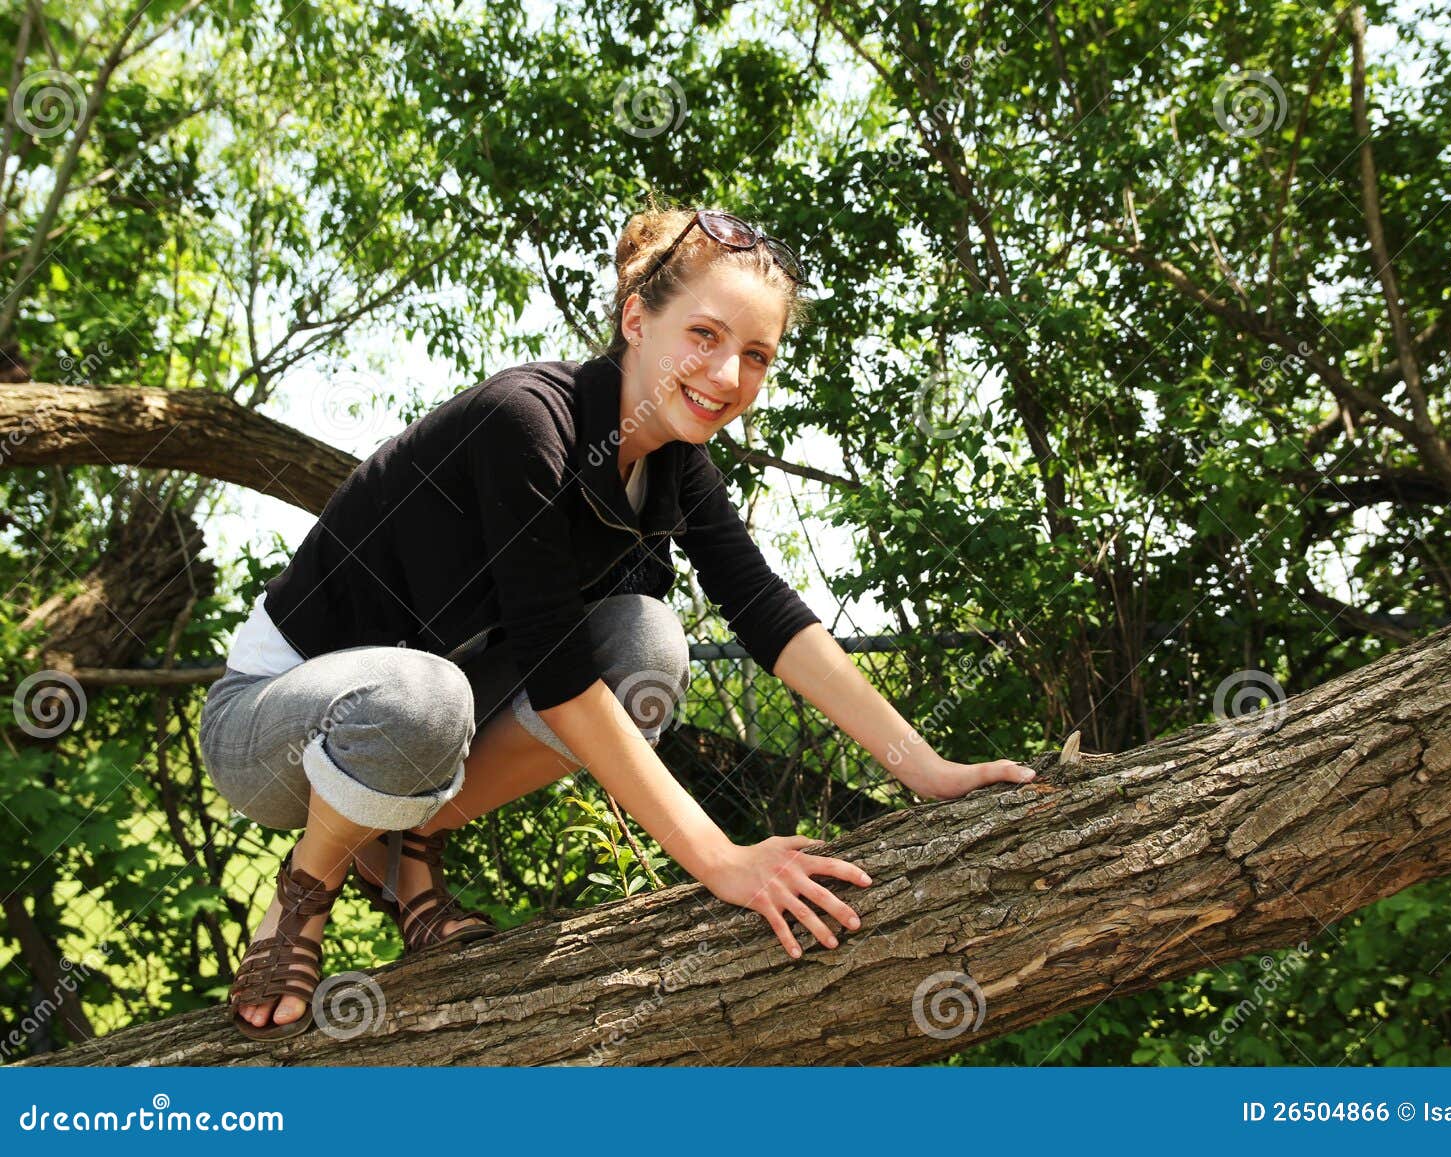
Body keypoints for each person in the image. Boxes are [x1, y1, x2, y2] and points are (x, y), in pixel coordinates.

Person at [199, 203, 1037, 1041]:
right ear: (637, 320)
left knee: (646, 644)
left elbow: (765, 610)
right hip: (274, 726)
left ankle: (401, 845)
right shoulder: (528, 421)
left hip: (422, 728)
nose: (727, 375)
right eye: (704, 335)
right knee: (428, 697)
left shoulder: (675, 465)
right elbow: (559, 678)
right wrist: (722, 860)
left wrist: (926, 768)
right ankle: (306, 891)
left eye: (756, 355)